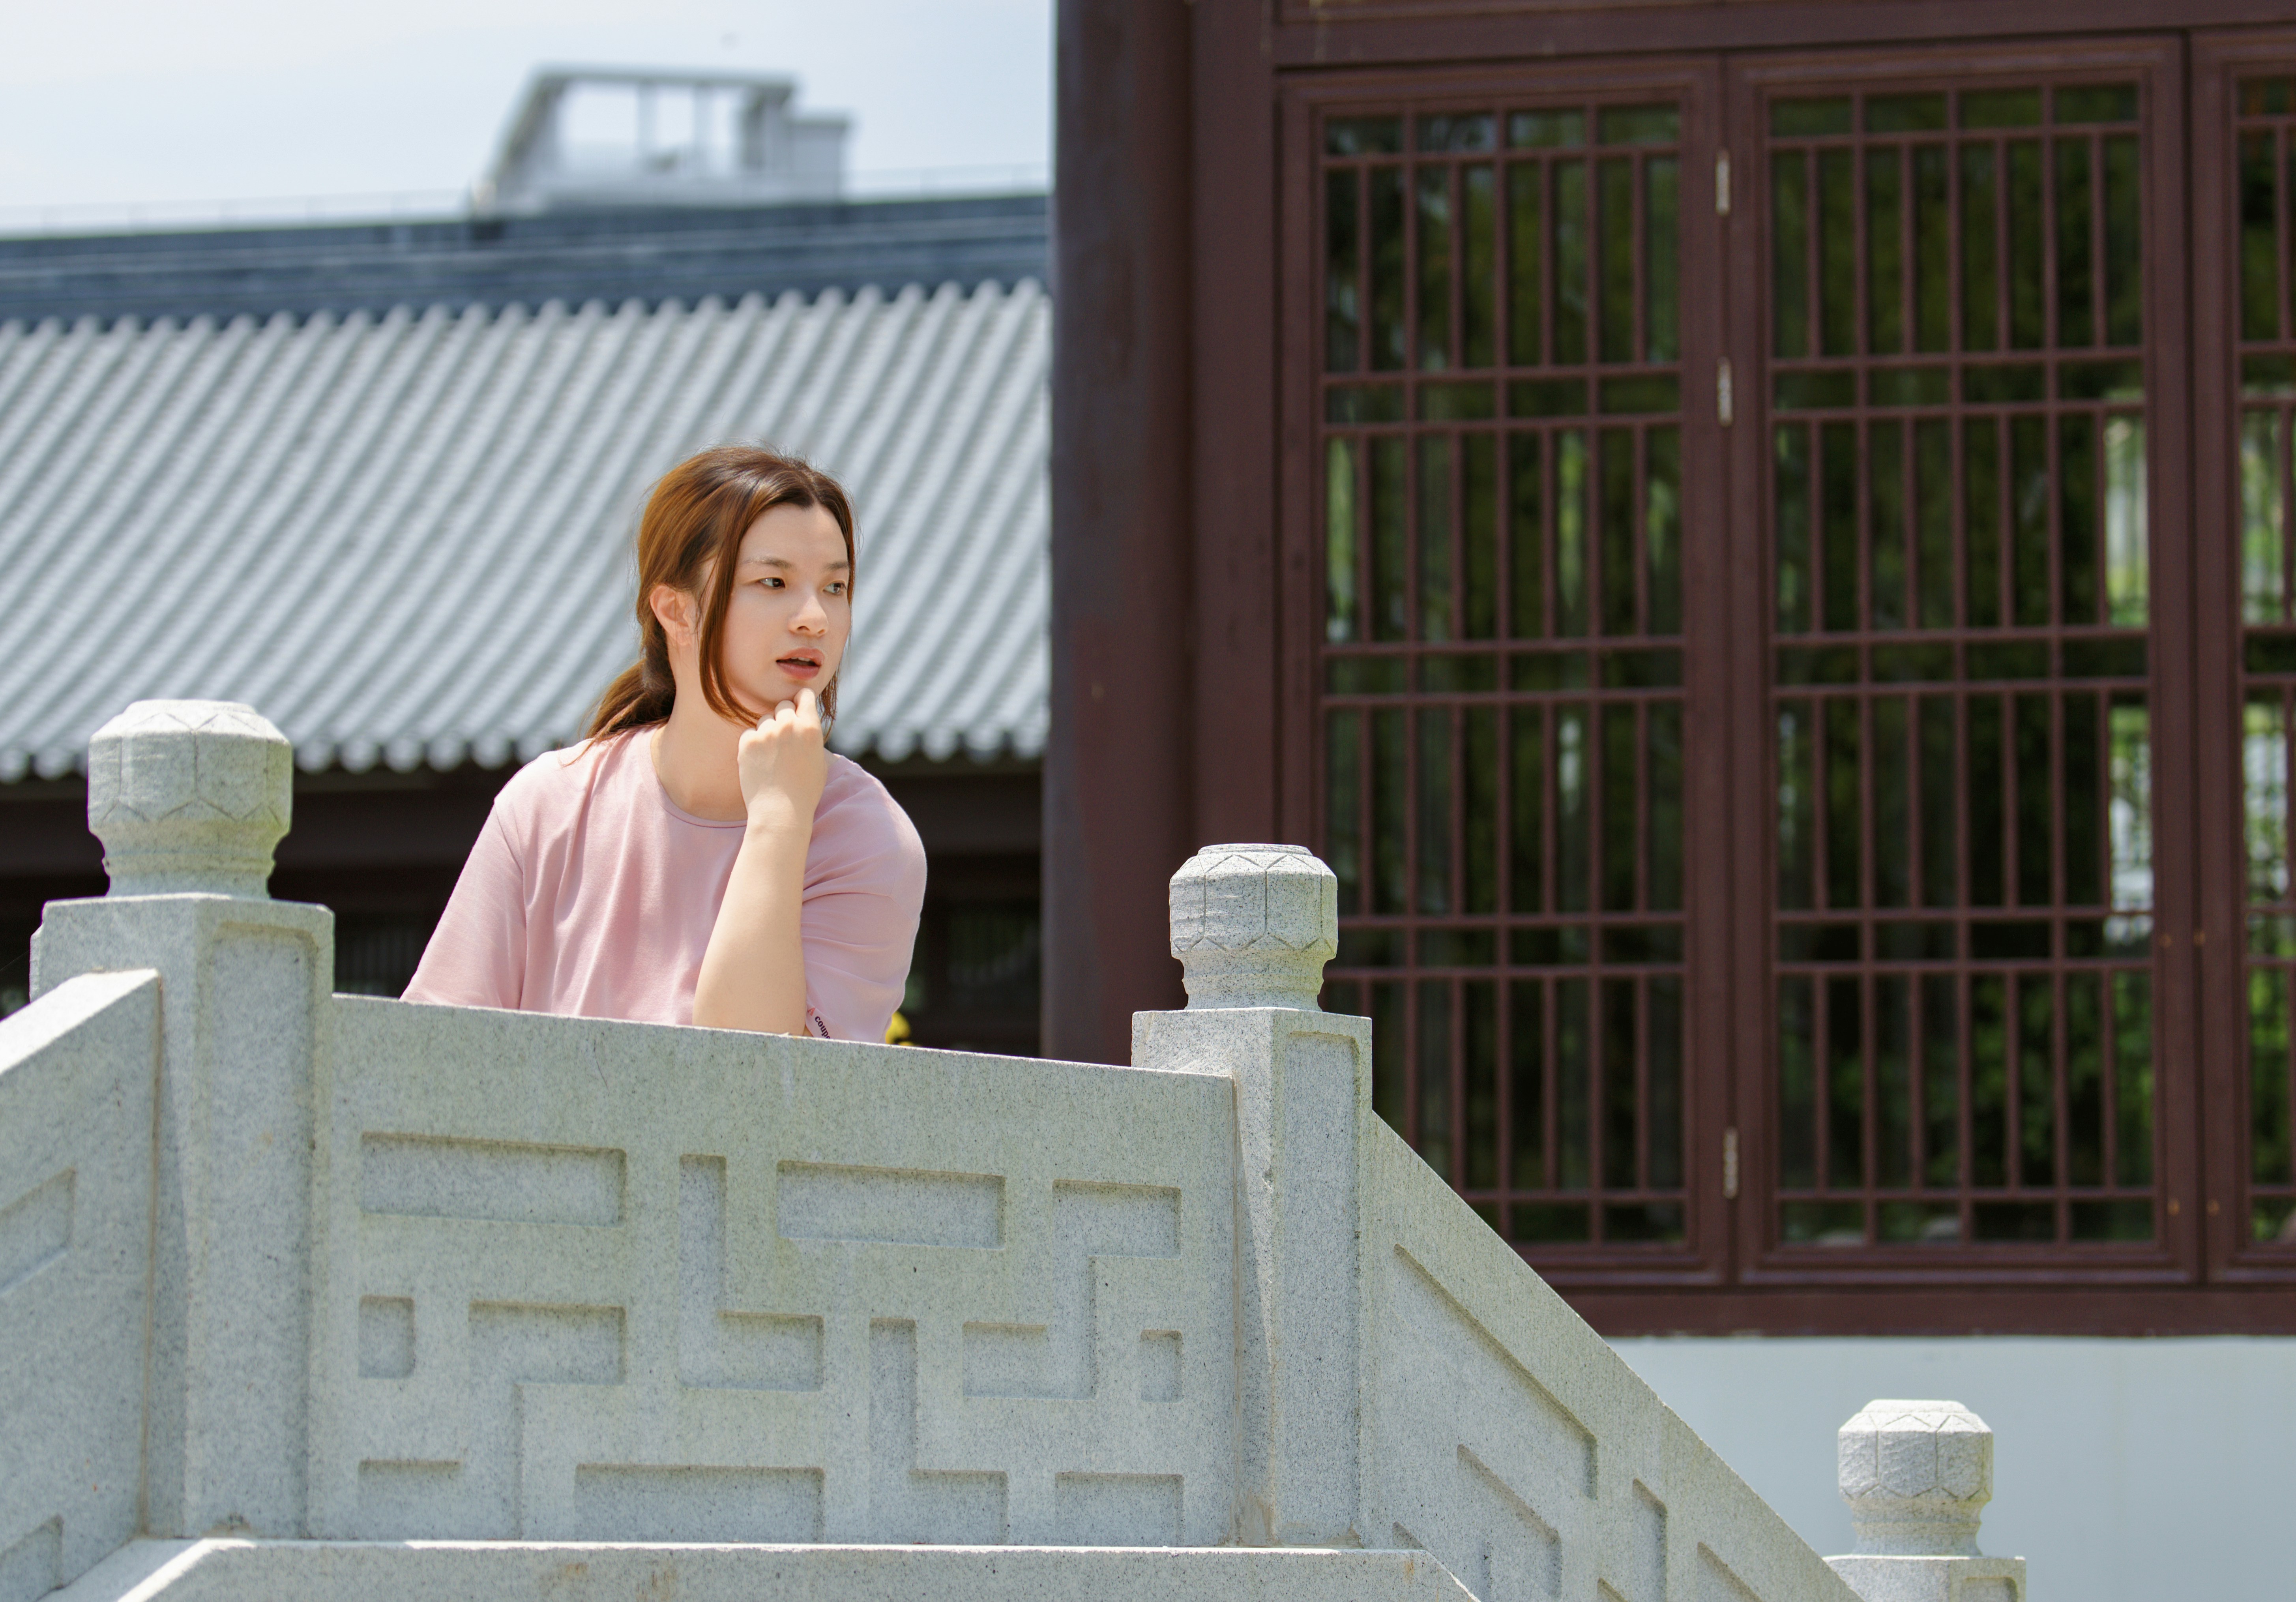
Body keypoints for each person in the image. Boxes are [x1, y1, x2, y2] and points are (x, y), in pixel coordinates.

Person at [402, 445, 925, 1040]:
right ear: (675, 611)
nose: (815, 618)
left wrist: (780, 819)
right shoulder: (547, 805)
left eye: (835, 588)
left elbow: (752, 1085)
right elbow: (434, 1055)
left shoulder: (868, 838)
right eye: (773, 581)